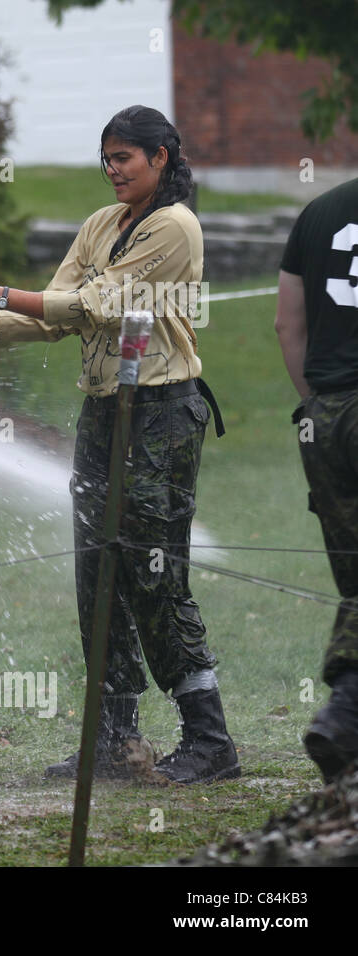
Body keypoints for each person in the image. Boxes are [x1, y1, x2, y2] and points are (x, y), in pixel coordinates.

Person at [0, 105, 239, 784]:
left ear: (161, 157)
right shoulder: (101, 224)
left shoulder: (175, 227)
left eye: (124, 158)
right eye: (105, 159)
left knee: (153, 573)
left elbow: (97, 305)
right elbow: (54, 316)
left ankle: (210, 740)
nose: (112, 171)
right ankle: (115, 741)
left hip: (162, 413)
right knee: (98, 574)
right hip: (105, 413)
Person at [275, 174, 358, 783]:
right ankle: (346, 712)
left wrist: (317, 404)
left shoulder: (317, 211)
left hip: (325, 421)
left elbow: (286, 325)